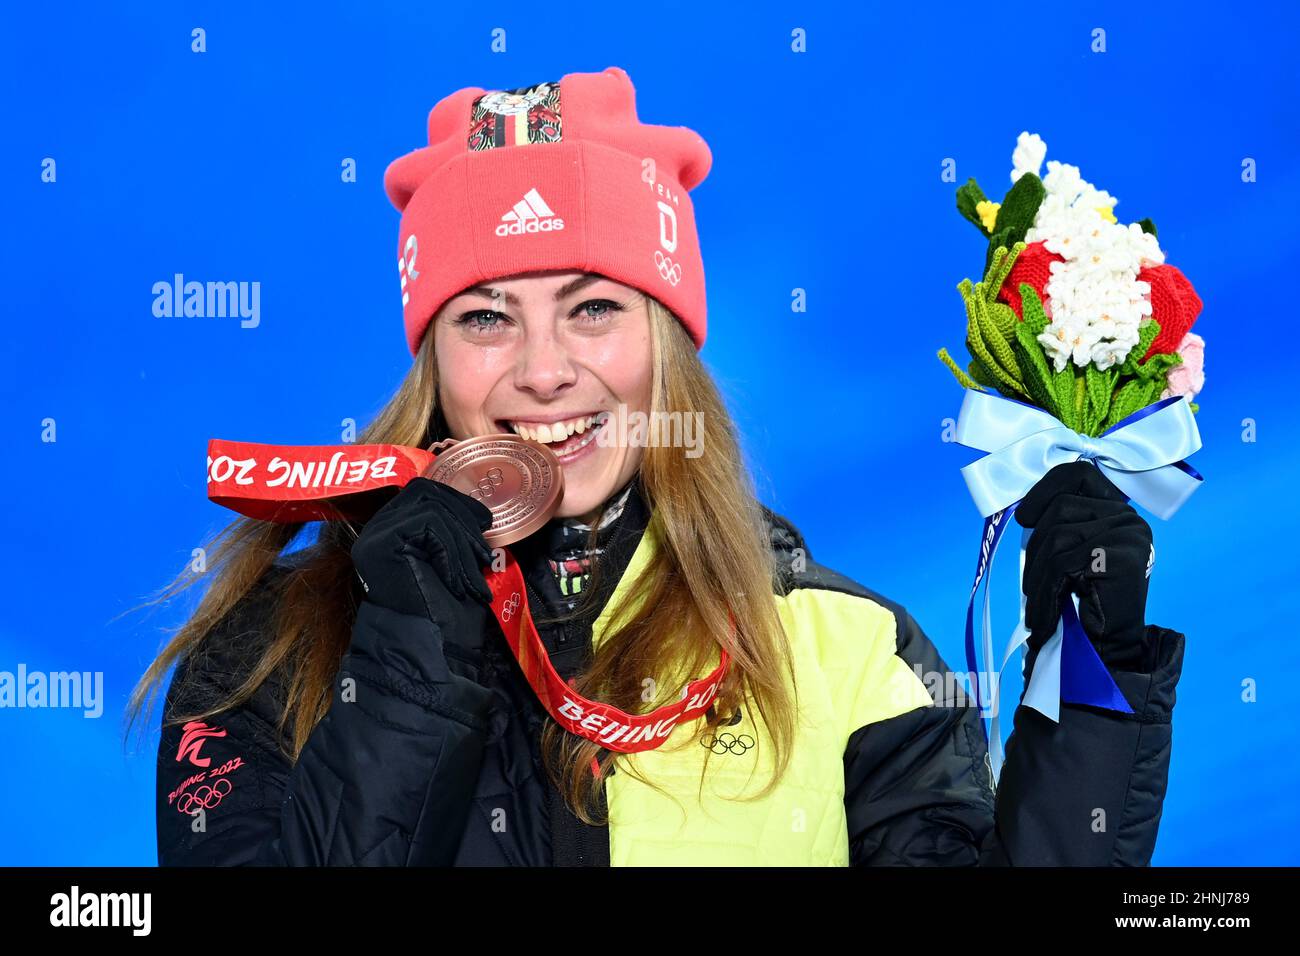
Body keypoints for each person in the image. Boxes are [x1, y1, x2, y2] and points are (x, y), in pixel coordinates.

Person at [127, 66, 1184, 867]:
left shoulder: (844, 650)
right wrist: (412, 644)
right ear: (433, 360)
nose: (545, 371)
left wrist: (1089, 672)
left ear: (669, 343)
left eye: (594, 307)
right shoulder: (267, 649)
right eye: (486, 316)